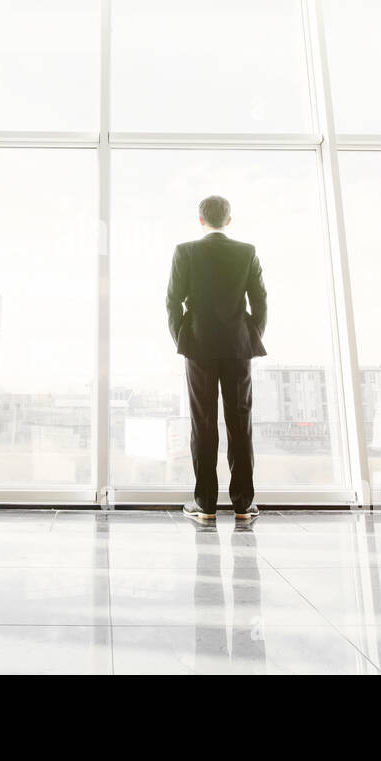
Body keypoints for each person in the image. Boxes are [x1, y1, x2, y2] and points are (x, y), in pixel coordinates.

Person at [166, 195, 267, 522]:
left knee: (203, 423)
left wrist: (183, 338)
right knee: (240, 423)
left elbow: (172, 301)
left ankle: (206, 504)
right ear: (229, 220)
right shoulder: (246, 252)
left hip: (199, 347)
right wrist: (251, 334)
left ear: (201, 220)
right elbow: (260, 301)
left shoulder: (185, 252)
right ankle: (243, 505)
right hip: (237, 348)